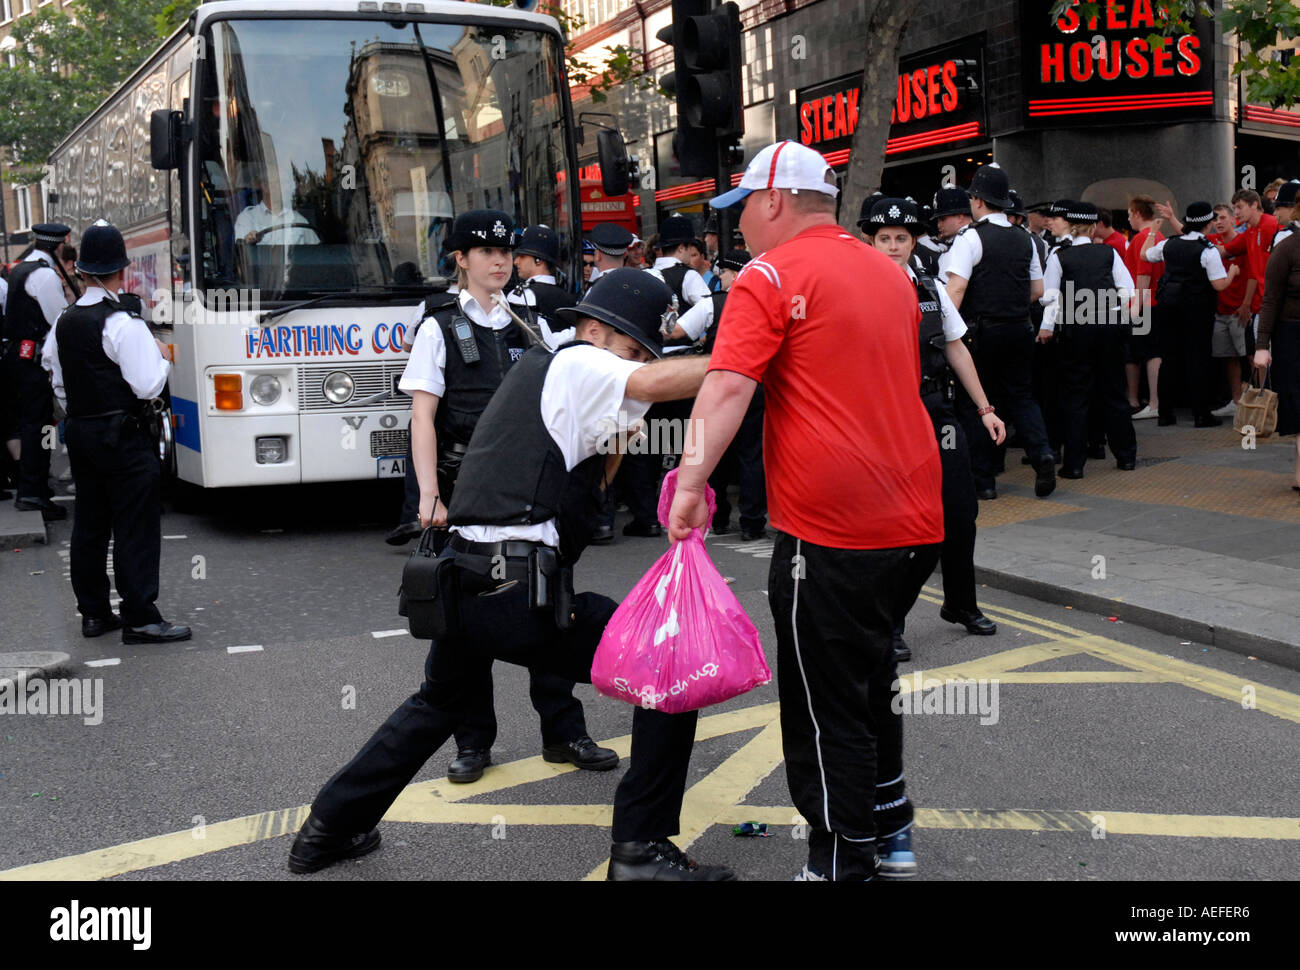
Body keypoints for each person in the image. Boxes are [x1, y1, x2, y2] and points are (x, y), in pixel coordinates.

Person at [290, 270, 734, 881]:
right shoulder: (579, 362)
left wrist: (618, 439)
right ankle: (641, 851)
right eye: (632, 349)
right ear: (595, 332)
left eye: (643, 355)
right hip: (514, 591)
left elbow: (582, 498)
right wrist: (748, 360)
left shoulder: (548, 378)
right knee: (669, 663)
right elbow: (655, 383)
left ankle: (326, 829)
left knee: (439, 703)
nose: (635, 365)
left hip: (463, 582)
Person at [670, 141, 944, 881]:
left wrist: (691, 482)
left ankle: (840, 862)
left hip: (830, 527)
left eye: (742, 208)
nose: (738, 226)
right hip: (915, 515)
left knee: (825, 705)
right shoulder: (889, 273)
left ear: (774, 200)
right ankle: (890, 826)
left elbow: (728, 385)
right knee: (869, 674)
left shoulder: (768, 275)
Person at [392, 209, 613, 784]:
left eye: (506, 251)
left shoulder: (536, 321)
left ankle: (564, 733)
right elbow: (422, 416)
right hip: (465, 493)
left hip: (535, 491)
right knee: (466, 620)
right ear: (460, 259)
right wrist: (429, 495)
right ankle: (472, 742)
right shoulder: (439, 326)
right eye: (485, 252)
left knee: (552, 607)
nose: (499, 261)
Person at [860, 197, 1004, 659]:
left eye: (901, 238)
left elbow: (956, 347)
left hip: (936, 411)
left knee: (960, 512)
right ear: (871, 241)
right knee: (901, 524)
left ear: (913, 241)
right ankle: (890, 620)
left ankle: (960, 604)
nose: (893, 246)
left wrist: (985, 408)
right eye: (884, 238)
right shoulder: (856, 292)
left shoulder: (930, 287)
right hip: (886, 418)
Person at [40, 221, 191, 644]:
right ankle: (140, 616)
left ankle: (94, 613)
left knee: (90, 523)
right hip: (123, 432)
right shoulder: (124, 323)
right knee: (134, 525)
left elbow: (54, 375)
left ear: (82, 271)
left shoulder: (65, 320)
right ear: (121, 271)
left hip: (82, 431)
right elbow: (147, 385)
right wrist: (164, 356)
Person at [942, 165, 1056, 501]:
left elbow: (956, 288)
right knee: (1022, 397)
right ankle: (1042, 454)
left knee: (977, 403)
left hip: (981, 333)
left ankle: (985, 480)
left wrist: (943, 326)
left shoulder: (970, 238)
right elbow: (1037, 290)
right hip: (1020, 328)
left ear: (978, 201)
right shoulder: (1026, 239)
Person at [669, 248, 769, 539]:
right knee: (752, 455)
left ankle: (719, 517)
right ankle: (752, 523)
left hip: (721, 382)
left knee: (716, 453)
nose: (719, 277)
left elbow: (676, 332)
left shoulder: (712, 304)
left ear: (735, 274)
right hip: (756, 384)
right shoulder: (764, 303)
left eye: (723, 272)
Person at [1038, 202, 1138, 478]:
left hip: (1076, 330)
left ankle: (1074, 465)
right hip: (1109, 326)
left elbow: (1050, 298)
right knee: (1114, 392)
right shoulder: (1108, 253)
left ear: (1071, 226)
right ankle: (1127, 457)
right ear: (1093, 227)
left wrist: (1046, 327)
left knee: (1076, 396)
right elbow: (1128, 290)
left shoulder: (1059, 256)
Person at [1143, 202, 1240, 427]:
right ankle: (1201, 414)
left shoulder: (1169, 244)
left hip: (1168, 308)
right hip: (1197, 310)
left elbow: (1144, 255)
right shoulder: (1208, 250)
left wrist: (1152, 232)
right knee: (1198, 359)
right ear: (1208, 224)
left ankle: (1165, 413)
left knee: (1168, 359)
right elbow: (1218, 285)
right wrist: (1232, 273)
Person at [3, 223, 73, 520]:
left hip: (20, 358)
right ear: (57, 246)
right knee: (39, 426)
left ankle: (35, 488)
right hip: (32, 362)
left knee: (34, 424)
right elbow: (60, 321)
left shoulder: (22, 269)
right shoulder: (44, 275)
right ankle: (33, 492)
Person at [1255, 226, 1300, 491]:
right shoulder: (1286, 248)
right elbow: (1270, 300)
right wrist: (1262, 345)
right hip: (1292, 336)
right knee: (1297, 401)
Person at [1208, 203, 1253, 416]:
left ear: (1233, 219)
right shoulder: (1211, 241)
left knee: (1251, 357)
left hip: (1240, 310)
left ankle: (1262, 402)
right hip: (1220, 311)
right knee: (1229, 357)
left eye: (1222, 217)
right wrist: (1171, 217)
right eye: (1215, 218)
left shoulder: (1243, 241)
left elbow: (1253, 274)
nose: (1218, 222)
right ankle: (1236, 400)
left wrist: (1247, 304)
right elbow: (1187, 235)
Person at [1124, 196, 1166, 420]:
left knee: (1147, 353)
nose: (1129, 219)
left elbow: (1143, 273)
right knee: (1150, 351)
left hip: (1144, 302)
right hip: (1155, 301)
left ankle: (1153, 402)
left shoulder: (1143, 238)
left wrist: (1135, 308)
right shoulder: (1159, 236)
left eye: (1130, 214)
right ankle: (1150, 400)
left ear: (1138, 214)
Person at [507, 224, 578, 351]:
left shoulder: (523, 296)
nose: (516, 261)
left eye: (522, 256)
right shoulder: (569, 297)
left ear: (538, 260)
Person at [233, 171, 320, 246]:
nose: (286, 188)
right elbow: (242, 251)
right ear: (265, 186)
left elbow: (317, 253)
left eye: (287, 184)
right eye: (281, 183)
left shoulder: (298, 219)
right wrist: (249, 241)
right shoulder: (248, 218)